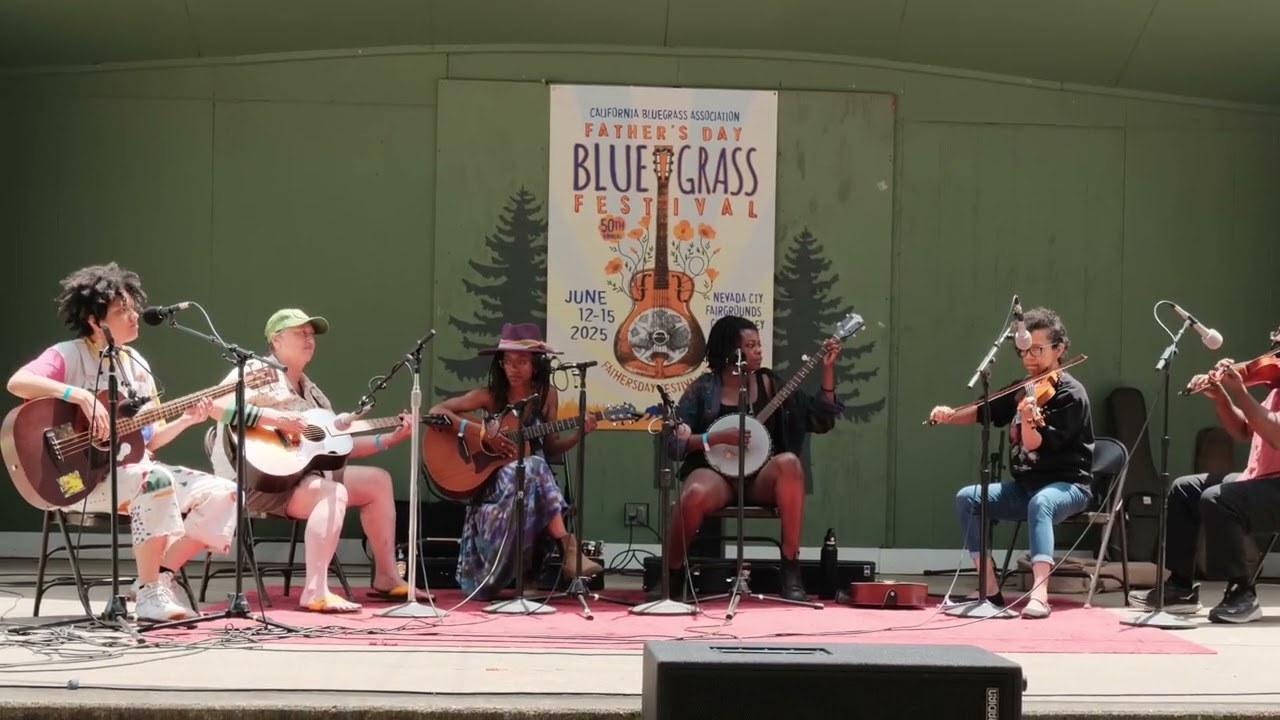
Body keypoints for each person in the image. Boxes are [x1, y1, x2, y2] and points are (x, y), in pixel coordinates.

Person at [6, 263, 238, 622]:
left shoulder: (137, 366)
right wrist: (79, 397)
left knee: (224, 492)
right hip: (79, 480)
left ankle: (157, 577)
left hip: (133, 472)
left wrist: (187, 419)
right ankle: (149, 595)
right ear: (96, 322)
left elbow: (150, 438)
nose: (134, 317)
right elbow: (19, 382)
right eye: (121, 311)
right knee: (156, 481)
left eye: (132, 307)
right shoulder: (69, 354)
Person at [208, 309, 419, 614]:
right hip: (255, 480)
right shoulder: (256, 370)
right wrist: (277, 419)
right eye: (300, 333)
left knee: (377, 481)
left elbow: (333, 449)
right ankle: (315, 590)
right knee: (332, 493)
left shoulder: (315, 395)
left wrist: (387, 439)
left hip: (299, 479)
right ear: (276, 340)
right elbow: (217, 406)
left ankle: (387, 576)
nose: (310, 339)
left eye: (311, 334)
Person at [663, 315, 844, 602]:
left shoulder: (770, 383)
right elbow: (673, 444)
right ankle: (672, 575)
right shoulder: (704, 388)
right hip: (716, 474)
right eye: (750, 345)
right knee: (694, 493)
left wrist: (828, 371)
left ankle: (790, 567)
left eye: (758, 344)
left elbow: (819, 419)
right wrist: (716, 438)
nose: (759, 350)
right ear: (730, 352)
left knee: (790, 464)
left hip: (760, 476)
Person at [929, 307, 1094, 619]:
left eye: (1037, 349)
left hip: (1069, 487)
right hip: (1026, 487)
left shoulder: (1071, 394)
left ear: (1059, 349)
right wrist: (949, 415)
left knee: (1042, 503)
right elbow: (983, 410)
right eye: (1023, 351)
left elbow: (1035, 444)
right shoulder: (1024, 388)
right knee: (968, 498)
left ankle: (1040, 594)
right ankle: (988, 588)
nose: (1029, 357)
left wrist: (1031, 420)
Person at [428, 322, 603, 599]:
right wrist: (479, 431)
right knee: (533, 466)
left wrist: (579, 433)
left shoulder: (547, 395)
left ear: (536, 365)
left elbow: (551, 448)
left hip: (532, 484)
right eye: (508, 362)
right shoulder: (490, 396)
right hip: (491, 483)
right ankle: (569, 548)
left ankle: (550, 562)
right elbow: (437, 411)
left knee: (534, 465)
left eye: (522, 361)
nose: (513, 368)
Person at [1128, 328, 1280, 624]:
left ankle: (1242, 593)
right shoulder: (1275, 390)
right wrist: (1221, 397)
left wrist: (1240, 391)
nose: (1273, 355)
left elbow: (1275, 436)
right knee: (1185, 489)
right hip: (1261, 480)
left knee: (1218, 499)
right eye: (1274, 345)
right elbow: (1242, 431)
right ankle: (1180, 588)